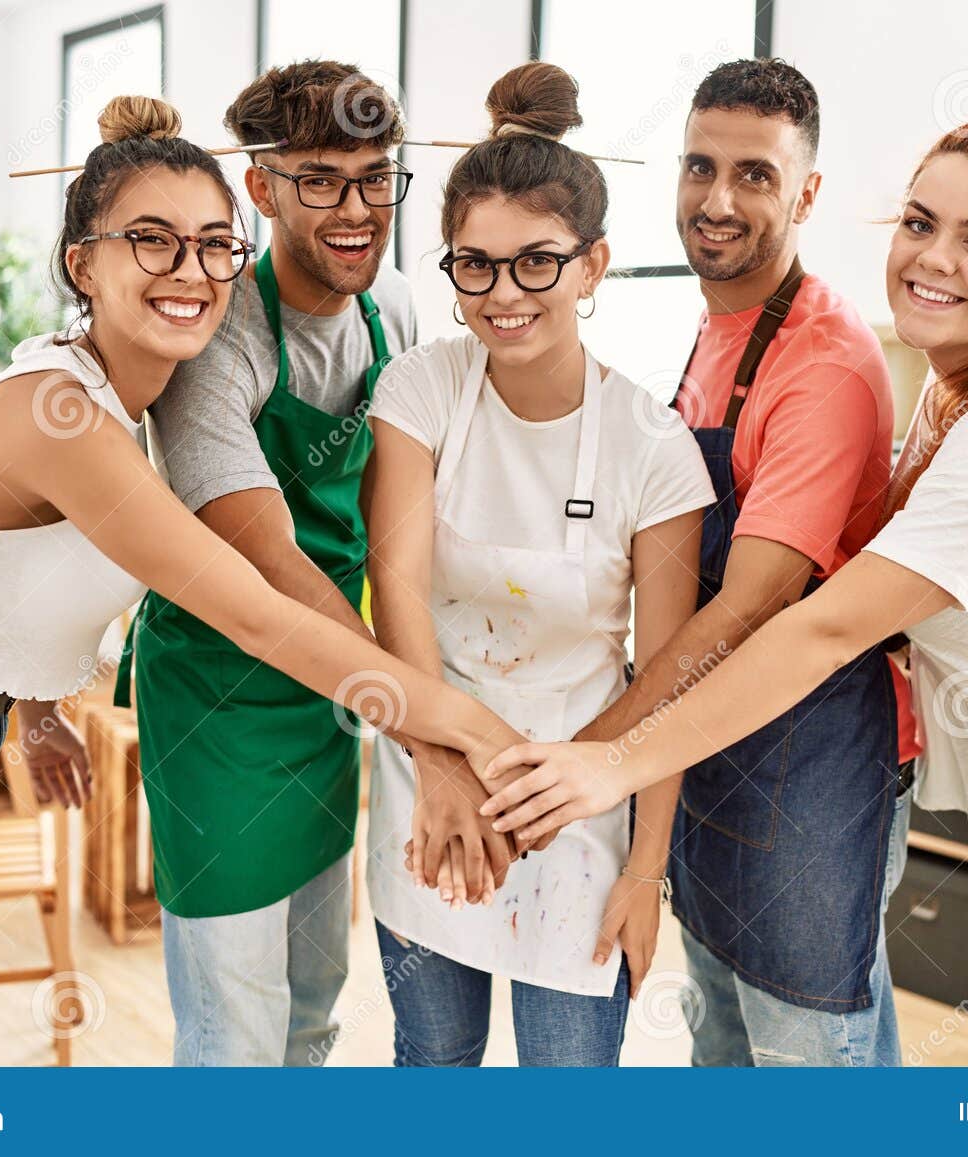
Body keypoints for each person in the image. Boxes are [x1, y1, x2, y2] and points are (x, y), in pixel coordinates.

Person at [0, 95, 519, 1068]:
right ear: (80, 263)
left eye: (213, 245)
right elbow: (260, 613)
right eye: (152, 241)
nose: (191, 271)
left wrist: (34, 709)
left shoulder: (129, 408)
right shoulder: (58, 410)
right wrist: (473, 728)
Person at [482, 112, 968, 1068]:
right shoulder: (957, 385)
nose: (932, 258)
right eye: (919, 222)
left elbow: (818, 627)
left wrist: (615, 761)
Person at [547, 58, 918, 1067]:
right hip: (715, 754)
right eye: (698, 167)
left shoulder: (823, 361)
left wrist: (595, 751)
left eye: (754, 175)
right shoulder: (716, 333)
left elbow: (752, 603)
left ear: (805, 193)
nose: (717, 200)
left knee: (810, 1051)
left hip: (810, 764)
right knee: (725, 1042)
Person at [362, 61, 715, 1067]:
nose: (501, 294)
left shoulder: (653, 449)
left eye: (535, 263)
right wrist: (439, 764)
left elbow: (670, 670)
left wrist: (647, 869)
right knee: (431, 1056)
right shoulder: (422, 387)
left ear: (593, 265)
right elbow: (395, 586)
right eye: (472, 264)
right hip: (430, 776)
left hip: (583, 801)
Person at [114, 61, 420, 1068]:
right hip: (222, 696)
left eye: (377, 177)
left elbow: (409, 521)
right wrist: (413, 704)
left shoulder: (398, 318)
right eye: (320, 180)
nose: (355, 208)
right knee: (235, 1030)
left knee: (312, 1007)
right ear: (262, 187)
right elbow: (268, 554)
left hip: (327, 698)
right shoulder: (217, 335)